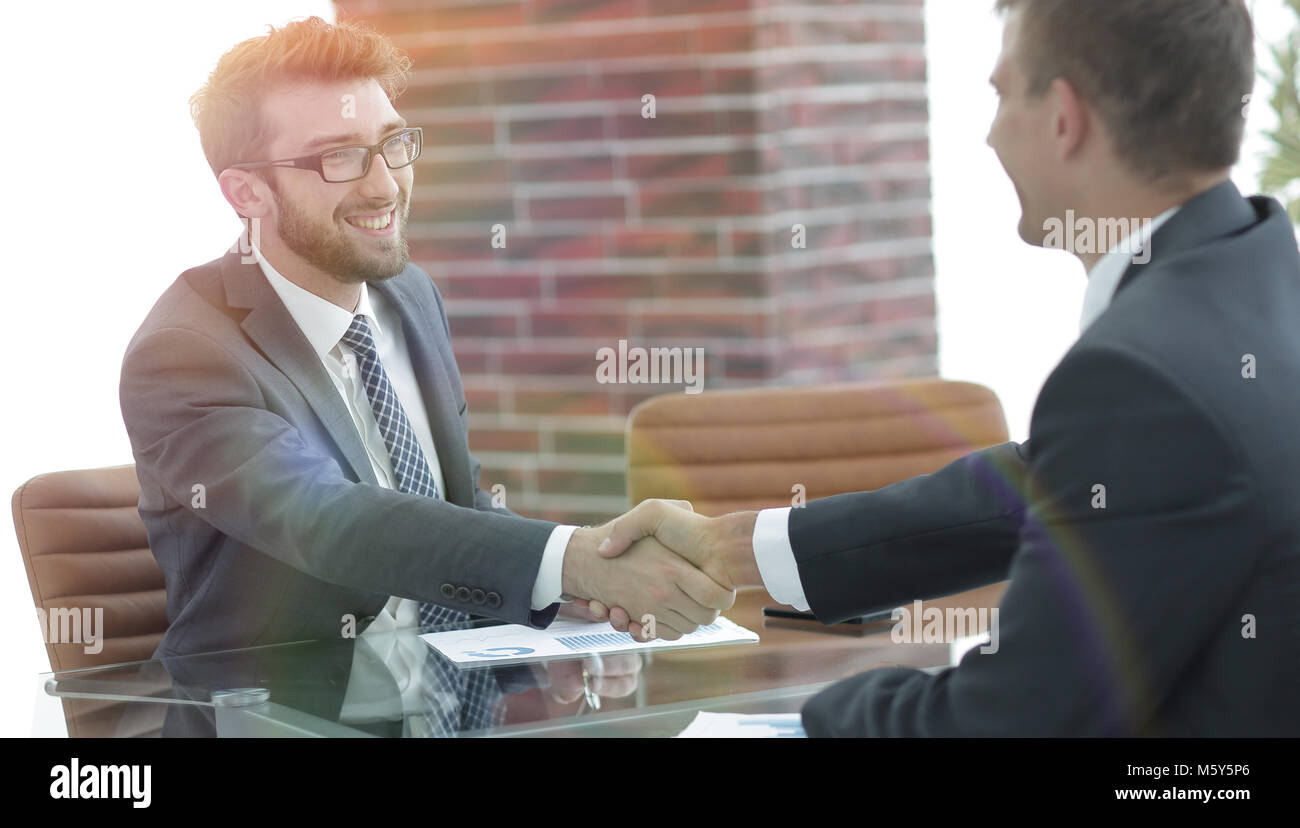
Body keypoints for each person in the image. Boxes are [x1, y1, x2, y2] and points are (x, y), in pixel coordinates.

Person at [596, 0, 1300, 736]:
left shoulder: (1146, 378)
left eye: (1000, 94)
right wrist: (738, 548)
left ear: (1065, 118)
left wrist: (799, 722)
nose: (989, 133)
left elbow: (1004, 724)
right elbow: (1040, 489)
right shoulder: (1256, 282)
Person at [118, 16, 733, 663]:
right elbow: (328, 522)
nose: (385, 185)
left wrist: (569, 582)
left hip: (456, 694)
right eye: (339, 158)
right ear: (247, 192)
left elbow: (453, 508)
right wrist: (574, 561)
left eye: (391, 144)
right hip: (280, 711)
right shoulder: (186, 354)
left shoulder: (407, 296)